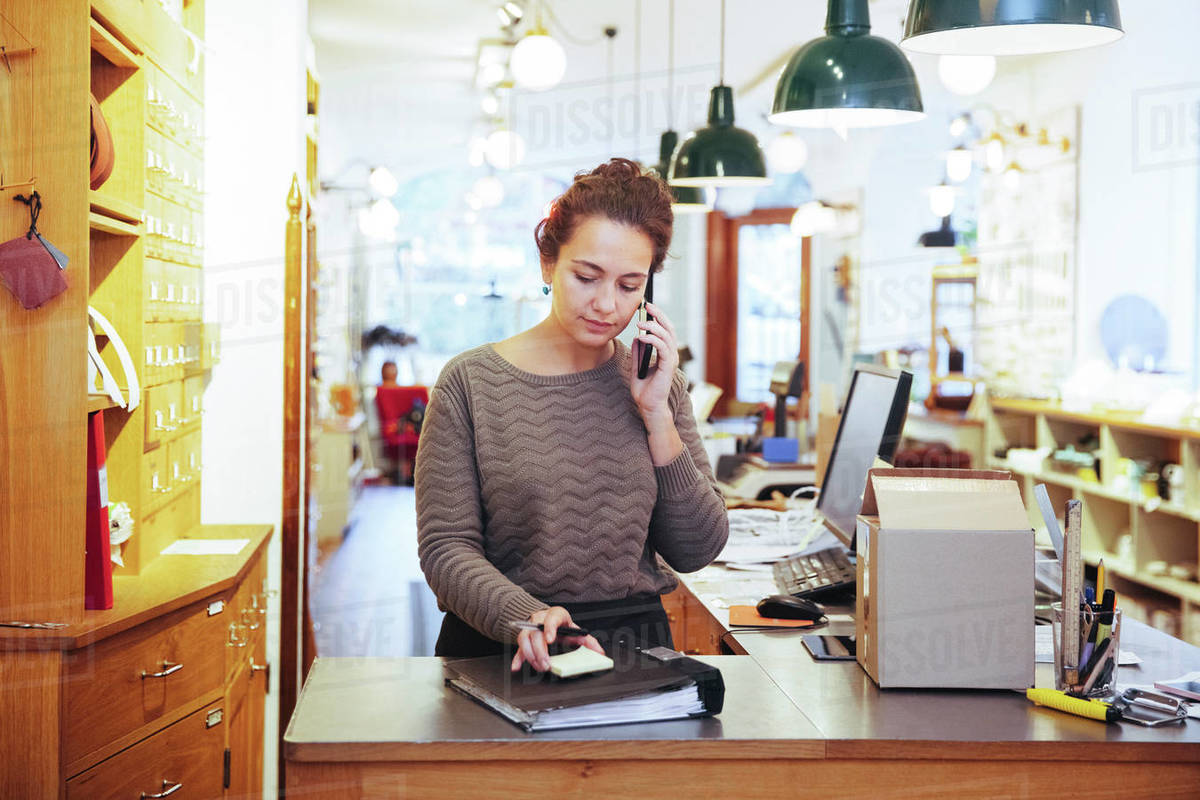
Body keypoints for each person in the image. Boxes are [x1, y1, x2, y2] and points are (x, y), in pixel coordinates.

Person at [415, 158, 729, 672]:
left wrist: (657, 416)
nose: (606, 304)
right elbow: (446, 548)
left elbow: (699, 548)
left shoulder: (658, 385)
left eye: (629, 286)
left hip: (634, 651)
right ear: (547, 264)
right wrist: (526, 616)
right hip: (501, 647)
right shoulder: (469, 384)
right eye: (587, 277)